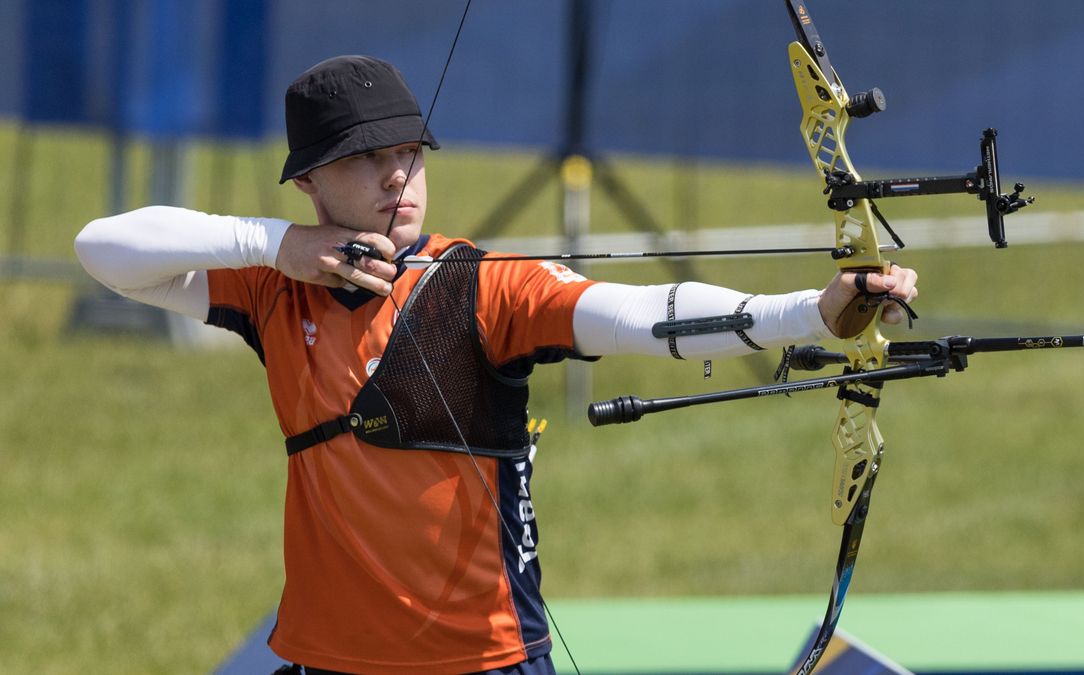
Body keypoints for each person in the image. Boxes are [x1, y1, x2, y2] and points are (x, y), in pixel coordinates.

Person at [74, 55, 918, 675]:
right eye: (367, 158)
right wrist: (279, 245)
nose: (397, 173)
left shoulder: (483, 289)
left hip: (482, 662)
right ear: (310, 182)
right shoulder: (275, 291)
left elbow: (639, 315)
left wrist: (809, 312)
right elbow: (103, 250)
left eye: (408, 152)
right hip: (322, 661)